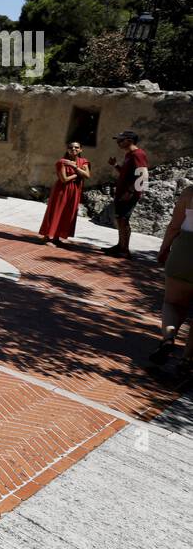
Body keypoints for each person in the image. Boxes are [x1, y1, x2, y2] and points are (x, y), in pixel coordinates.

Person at [153, 185, 193, 376]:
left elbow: (174, 226)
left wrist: (164, 249)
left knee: (172, 302)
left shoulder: (190, 192)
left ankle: (168, 337)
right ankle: (187, 359)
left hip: (184, 250)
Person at [105, 130, 149, 259]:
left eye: (121, 140)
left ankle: (125, 251)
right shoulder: (129, 155)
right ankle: (120, 246)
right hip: (122, 193)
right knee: (120, 220)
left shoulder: (138, 154)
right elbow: (126, 174)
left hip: (128, 195)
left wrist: (131, 193)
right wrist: (115, 165)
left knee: (124, 220)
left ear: (129, 141)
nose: (118, 143)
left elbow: (143, 175)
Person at [38, 142, 91, 246]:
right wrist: (77, 174)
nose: (73, 149)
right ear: (67, 150)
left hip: (75, 190)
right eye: (71, 147)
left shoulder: (83, 161)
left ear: (81, 150)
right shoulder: (62, 162)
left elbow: (87, 175)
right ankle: (48, 237)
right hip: (62, 190)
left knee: (67, 213)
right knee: (56, 211)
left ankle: (57, 237)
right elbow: (64, 179)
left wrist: (75, 168)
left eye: (76, 147)